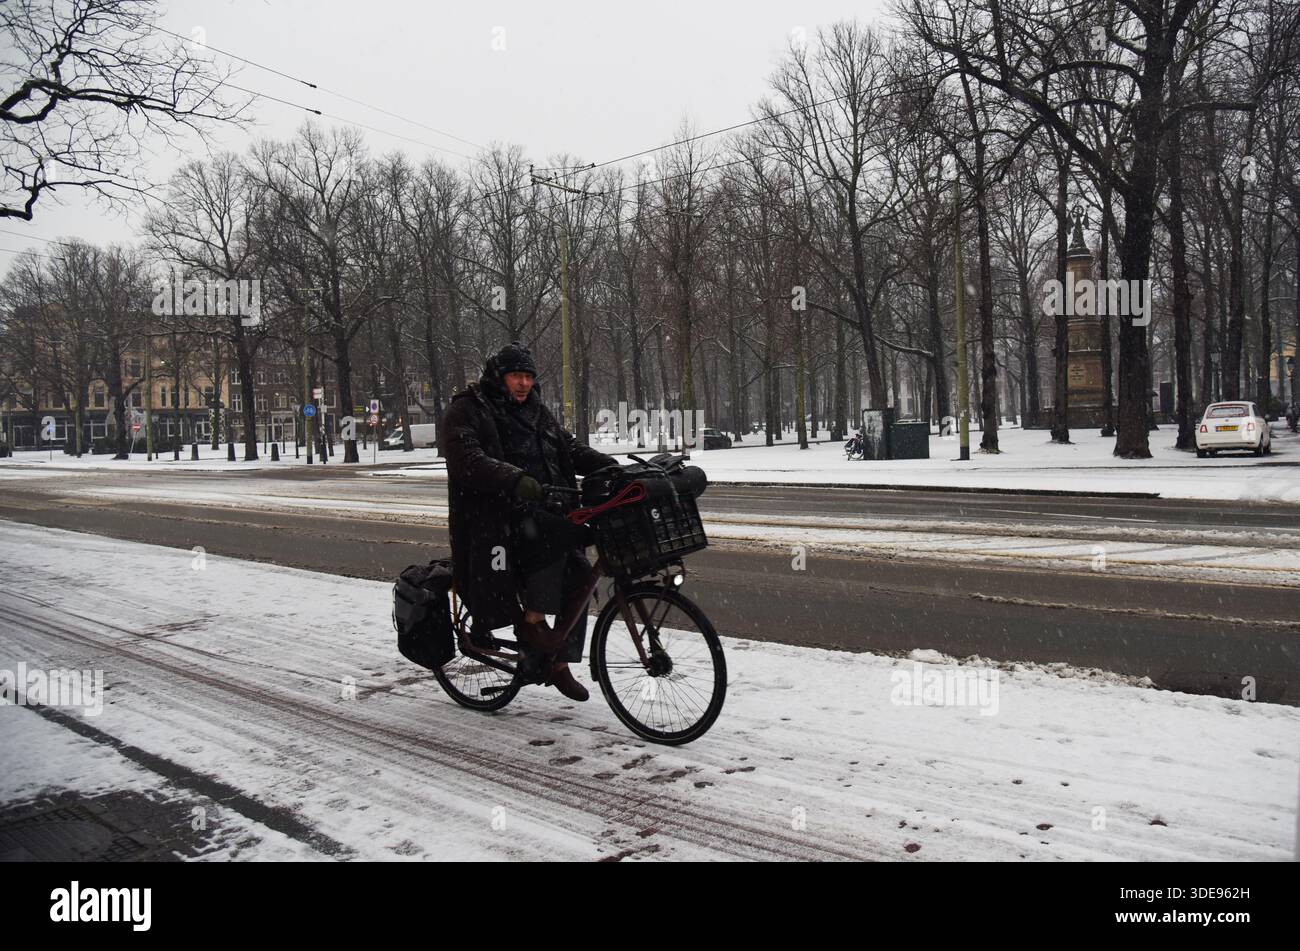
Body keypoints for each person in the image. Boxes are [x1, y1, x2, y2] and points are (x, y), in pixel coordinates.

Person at [443, 342, 617, 702]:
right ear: (498, 377)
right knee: (555, 540)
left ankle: (557, 663)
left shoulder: (538, 412)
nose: (523, 384)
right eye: (515, 376)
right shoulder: (469, 409)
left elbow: (568, 449)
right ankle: (533, 622)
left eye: (528, 377)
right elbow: (466, 459)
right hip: (498, 519)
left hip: (549, 508)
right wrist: (514, 479)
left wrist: (610, 466)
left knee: (582, 578)